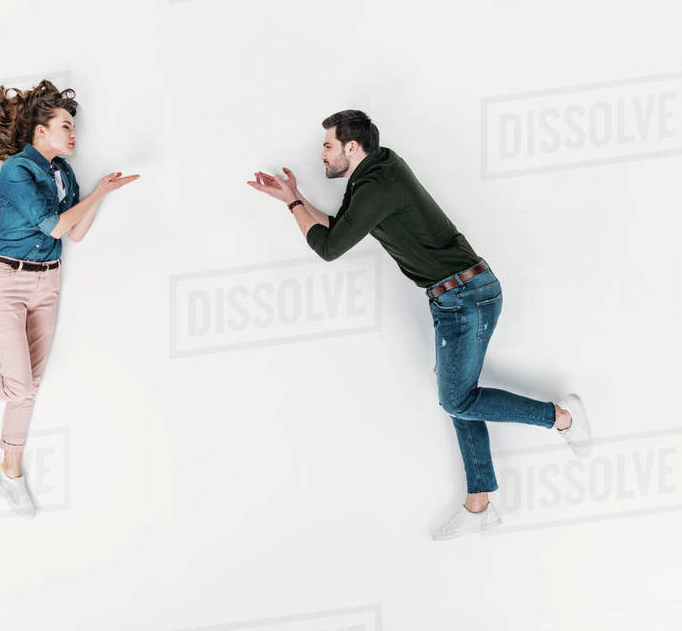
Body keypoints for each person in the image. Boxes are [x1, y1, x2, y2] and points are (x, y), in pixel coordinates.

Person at [247, 109, 592, 539]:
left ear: (352, 148)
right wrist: (294, 200)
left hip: (465, 297)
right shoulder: (376, 172)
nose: (323, 156)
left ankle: (561, 418)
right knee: (459, 397)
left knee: (456, 401)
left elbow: (329, 248)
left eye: (328, 146)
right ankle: (479, 503)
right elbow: (340, 228)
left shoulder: (376, 184)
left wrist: (295, 204)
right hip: (457, 296)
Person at [0, 79, 139, 518]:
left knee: (27, 390)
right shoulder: (17, 170)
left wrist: (96, 196)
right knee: (21, 388)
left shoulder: (65, 174)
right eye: (66, 126)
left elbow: (76, 232)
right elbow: (53, 226)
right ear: (41, 130)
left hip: (49, 284)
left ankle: (5, 465)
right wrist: (98, 193)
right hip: (9, 283)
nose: (74, 135)